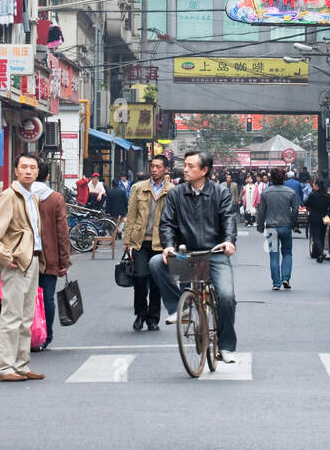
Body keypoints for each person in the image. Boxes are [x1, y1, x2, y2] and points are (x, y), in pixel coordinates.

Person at [151, 149, 238, 361]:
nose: (186, 169)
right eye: (185, 165)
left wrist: (229, 241)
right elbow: (167, 223)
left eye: (191, 166)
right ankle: (178, 308)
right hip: (186, 254)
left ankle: (225, 346)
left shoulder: (220, 193)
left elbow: (228, 219)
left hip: (215, 253)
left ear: (205, 170)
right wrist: (168, 246)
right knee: (155, 263)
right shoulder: (176, 193)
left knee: (226, 296)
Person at [0, 154, 46, 383]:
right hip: (18, 262)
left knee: (26, 317)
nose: (28, 171)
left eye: (32, 167)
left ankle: (21, 365)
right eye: (24, 167)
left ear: (38, 172)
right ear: (16, 171)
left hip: (32, 260)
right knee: (12, 315)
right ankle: (5, 367)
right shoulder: (9, 196)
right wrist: (5, 257)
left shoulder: (33, 197)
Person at [123, 154, 172, 331]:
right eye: (152, 166)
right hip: (140, 241)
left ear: (166, 169)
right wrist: (127, 240)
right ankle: (140, 314)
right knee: (140, 278)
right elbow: (131, 215)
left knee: (157, 283)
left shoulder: (173, 190)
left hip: (161, 243)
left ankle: (153, 319)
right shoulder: (138, 188)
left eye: (158, 166)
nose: (154, 169)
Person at [32, 160, 71, 350]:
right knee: (47, 297)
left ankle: (30, 334)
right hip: (50, 256)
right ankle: (46, 335)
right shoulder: (55, 198)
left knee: (28, 297)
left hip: (25, 256)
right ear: (47, 176)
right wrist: (65, 260)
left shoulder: (20, 195)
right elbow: (62, 231)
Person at [256, 166, 300, 290]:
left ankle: (276, 283)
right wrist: (293, 223)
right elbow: (296, 210)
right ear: (283, 178)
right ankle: (285, 278)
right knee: (287, 253)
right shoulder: (290, 192)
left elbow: (261, 211)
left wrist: (260, 225)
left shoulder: (266, 192)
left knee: (273, 255)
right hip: (286, 227)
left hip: (271, 227)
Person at [304, 178, 330, 261]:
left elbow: (306, 203)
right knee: (322, 236)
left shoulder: (313, 195)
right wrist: (328, 215)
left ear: (316, 186)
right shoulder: (327, 196)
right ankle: (320, 254)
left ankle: (320, 252)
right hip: (324, 218)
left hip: (314, 218)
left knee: (316, 237)